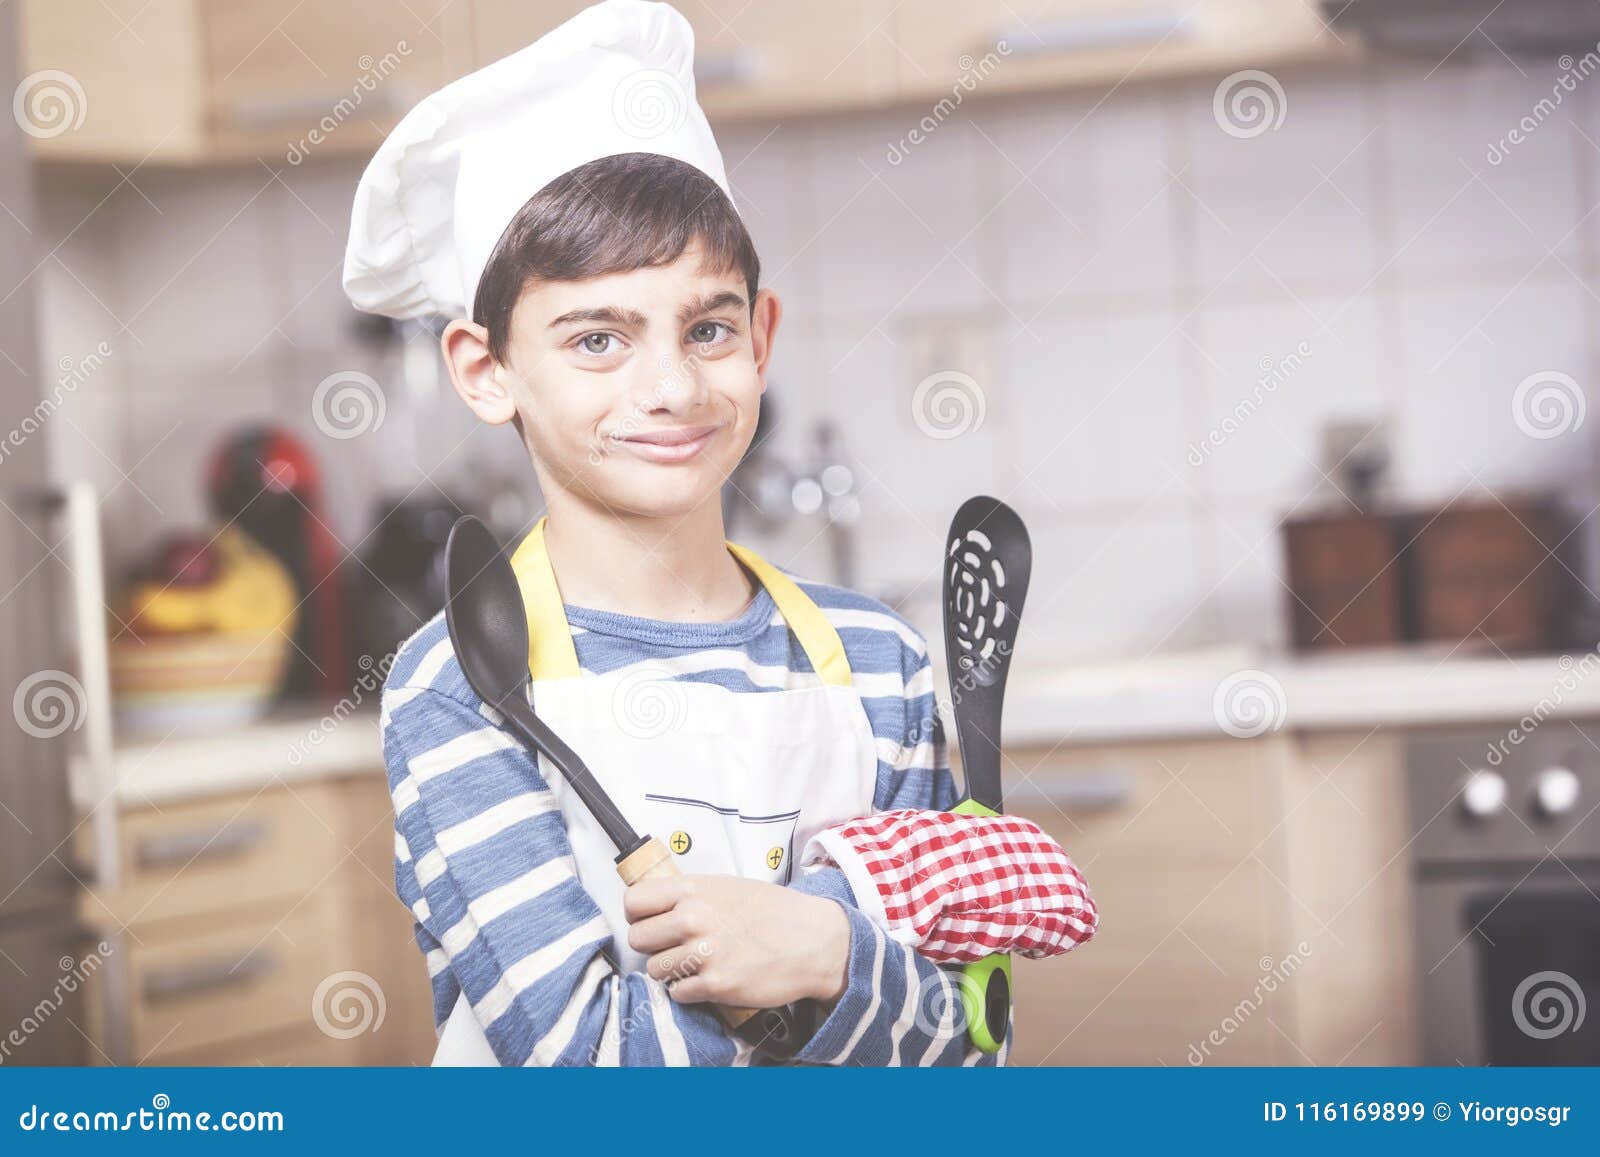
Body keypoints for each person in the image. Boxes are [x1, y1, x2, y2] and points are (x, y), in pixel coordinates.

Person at [347, 0, 1005, 1066]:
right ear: (485, 369)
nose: (670, 386)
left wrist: (821, 946)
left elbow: (969, 1043)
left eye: (708, 327)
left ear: (762, 334)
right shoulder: (461, 686)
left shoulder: (880, 662)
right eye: (597, 337)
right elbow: (585, 1066)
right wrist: (847, 966)